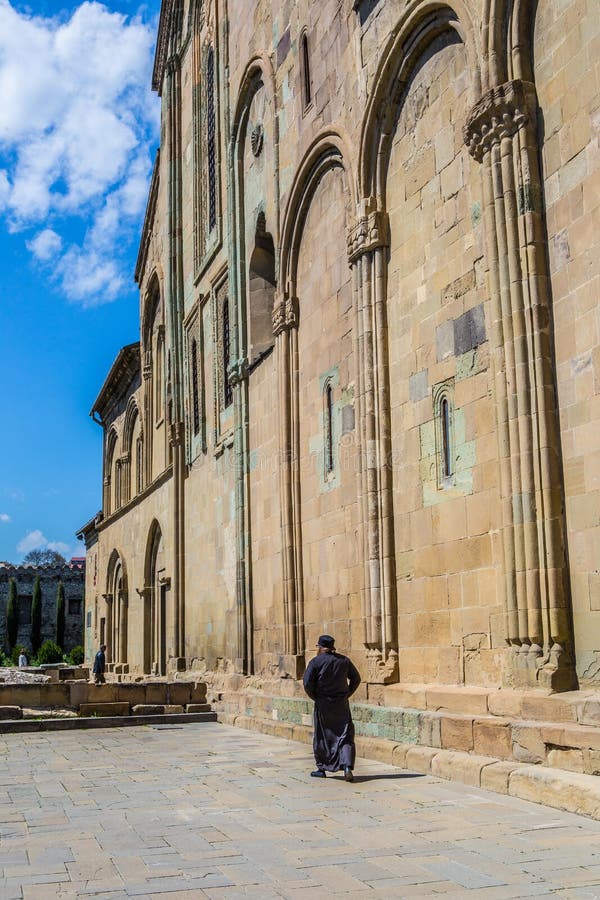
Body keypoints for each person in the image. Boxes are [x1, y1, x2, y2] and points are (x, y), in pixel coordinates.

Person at [303, 634, 361, 782]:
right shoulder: (344, 661)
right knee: (345, 734)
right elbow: (356, 678)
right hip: (341, 703)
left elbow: (307, 683)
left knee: (322, 735)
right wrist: (347, 693)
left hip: (323, 704)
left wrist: (315, 696)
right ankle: (347, 766)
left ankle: (322, 768)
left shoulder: (315, 662)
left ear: (320, 647)